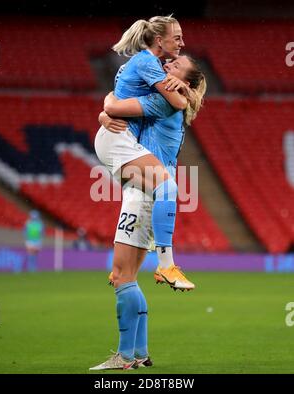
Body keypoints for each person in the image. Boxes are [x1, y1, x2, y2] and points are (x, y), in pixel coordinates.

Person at [90, 16, 205, 371]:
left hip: (148, 191)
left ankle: (126, 356)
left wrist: (106, 110)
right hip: (145, 187)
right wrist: (105, 113)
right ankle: (137, 356)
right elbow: (115, 105)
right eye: (170, 57)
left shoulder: (167, 102)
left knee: (123, 276)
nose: (168, 64)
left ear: (181, 83)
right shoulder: (159, 91)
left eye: (175, 67)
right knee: (123, 276)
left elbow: (115, 105)